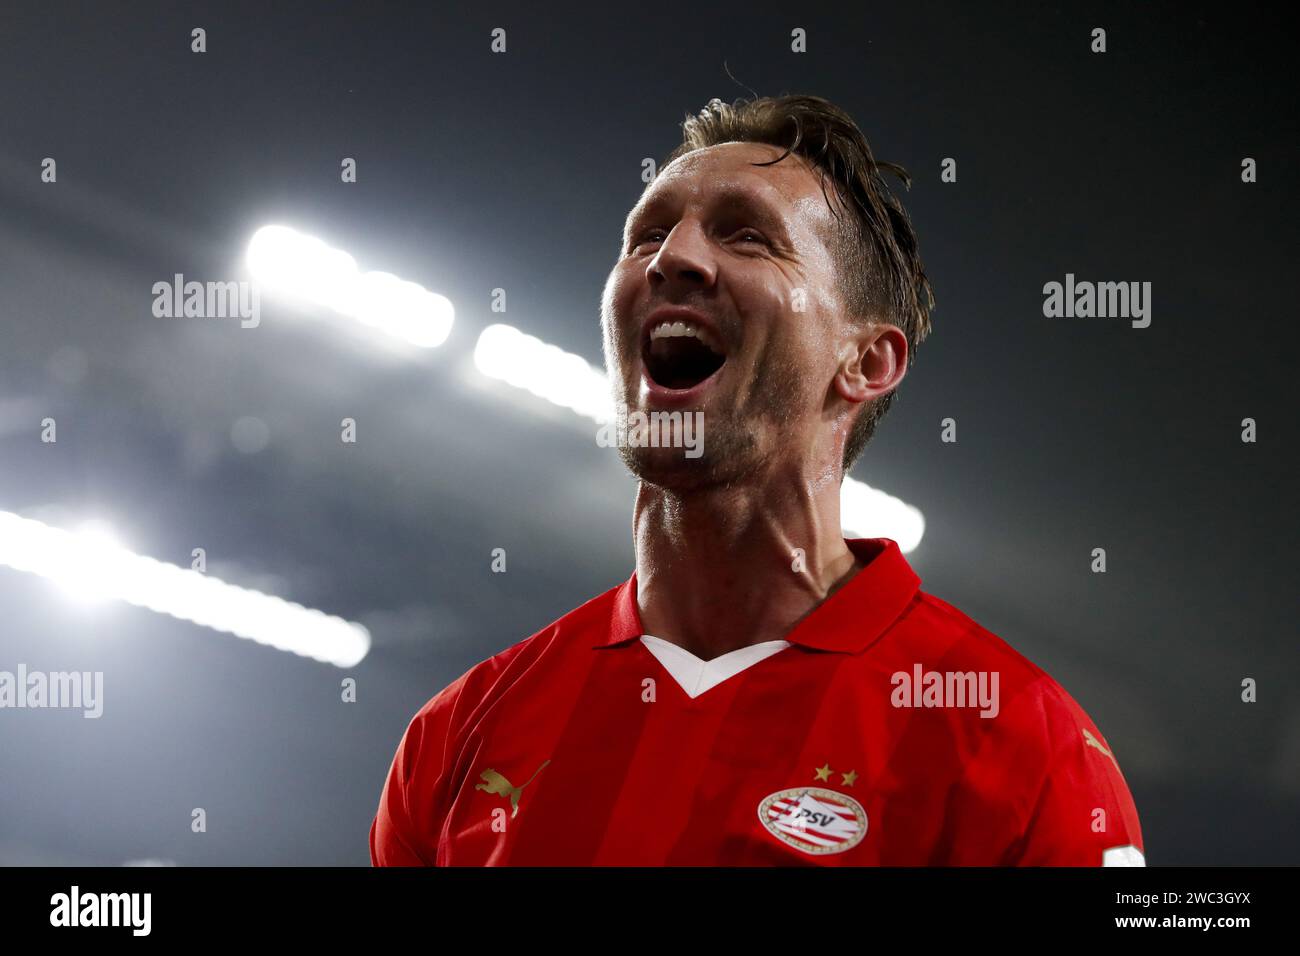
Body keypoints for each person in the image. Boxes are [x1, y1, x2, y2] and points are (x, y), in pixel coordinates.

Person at [370, 94, 1144, 866]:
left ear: (865, 361)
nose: (671, 257)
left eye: (746, 235)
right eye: (647, 235)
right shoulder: (460, 731)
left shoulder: (1021, 744)